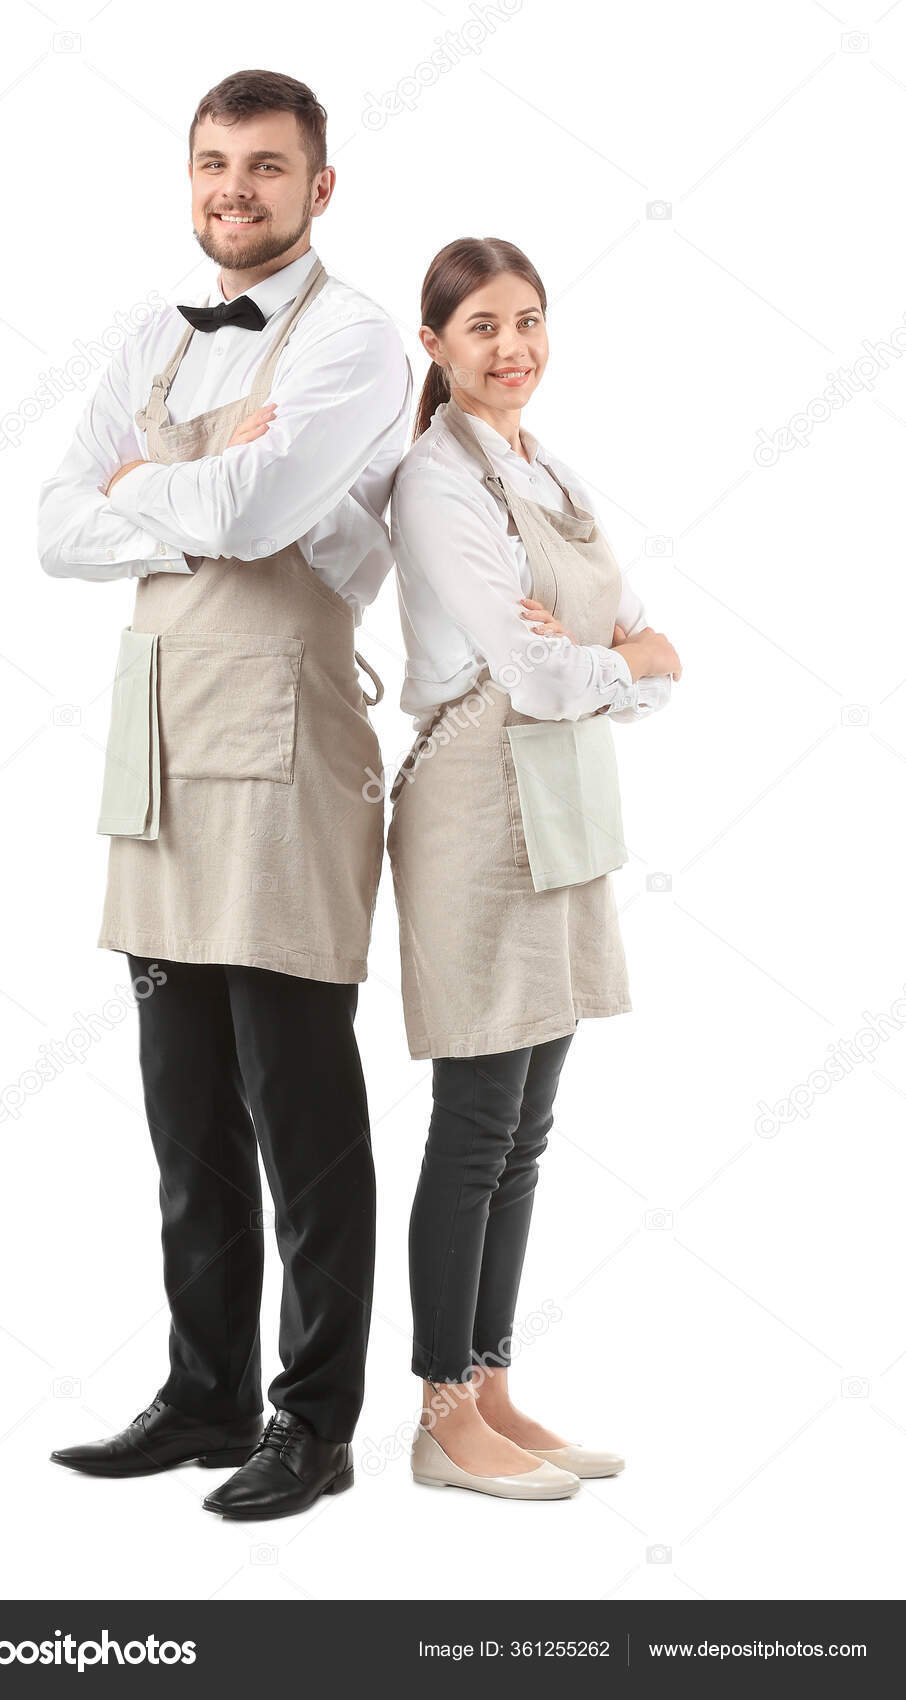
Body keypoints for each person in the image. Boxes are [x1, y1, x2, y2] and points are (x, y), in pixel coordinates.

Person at [37, 69, 411, 1520]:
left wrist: (148, 488)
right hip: (154, 741)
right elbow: (53, 527)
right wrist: (173, 490)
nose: (234, 190)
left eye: (265, 167)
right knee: (184, 1116)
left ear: (320, 188)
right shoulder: (148, 330)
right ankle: (202, 1396)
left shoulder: (360, 338)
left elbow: (258, 515)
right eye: (212, 164)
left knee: (296, 1111)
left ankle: (308, 1423)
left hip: (279, 745)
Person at [386, 237, 681, 1501]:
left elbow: (613, 646)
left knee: (529, 1126)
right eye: (482, 328)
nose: (511, 348)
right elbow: (547, 668)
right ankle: (438, 1413)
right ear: (435, 344)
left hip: (557, 799)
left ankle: (492, 1381)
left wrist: (619, 658)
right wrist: (632, 663)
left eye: (529, 321)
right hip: (472, 795)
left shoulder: (542, 467)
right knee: (474, 1123)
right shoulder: (435, 480)